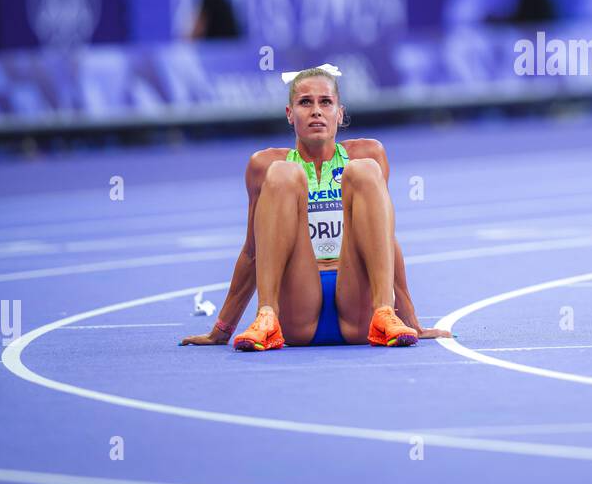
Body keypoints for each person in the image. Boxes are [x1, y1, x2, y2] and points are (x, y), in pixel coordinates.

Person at [180, 64, 450, 350]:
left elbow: (385, 239)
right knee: (283, 173)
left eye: (325, 102)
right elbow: (252, 250)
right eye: (305, 102)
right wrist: (222, 329)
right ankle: (267, 316)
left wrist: (411, 321)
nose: (316, 111)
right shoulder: (263, 166)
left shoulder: (369, 154)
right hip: (297, 307)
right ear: (289, 114)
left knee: (364, 170)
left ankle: (384, 314)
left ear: (340, 112)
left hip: (358, 304)